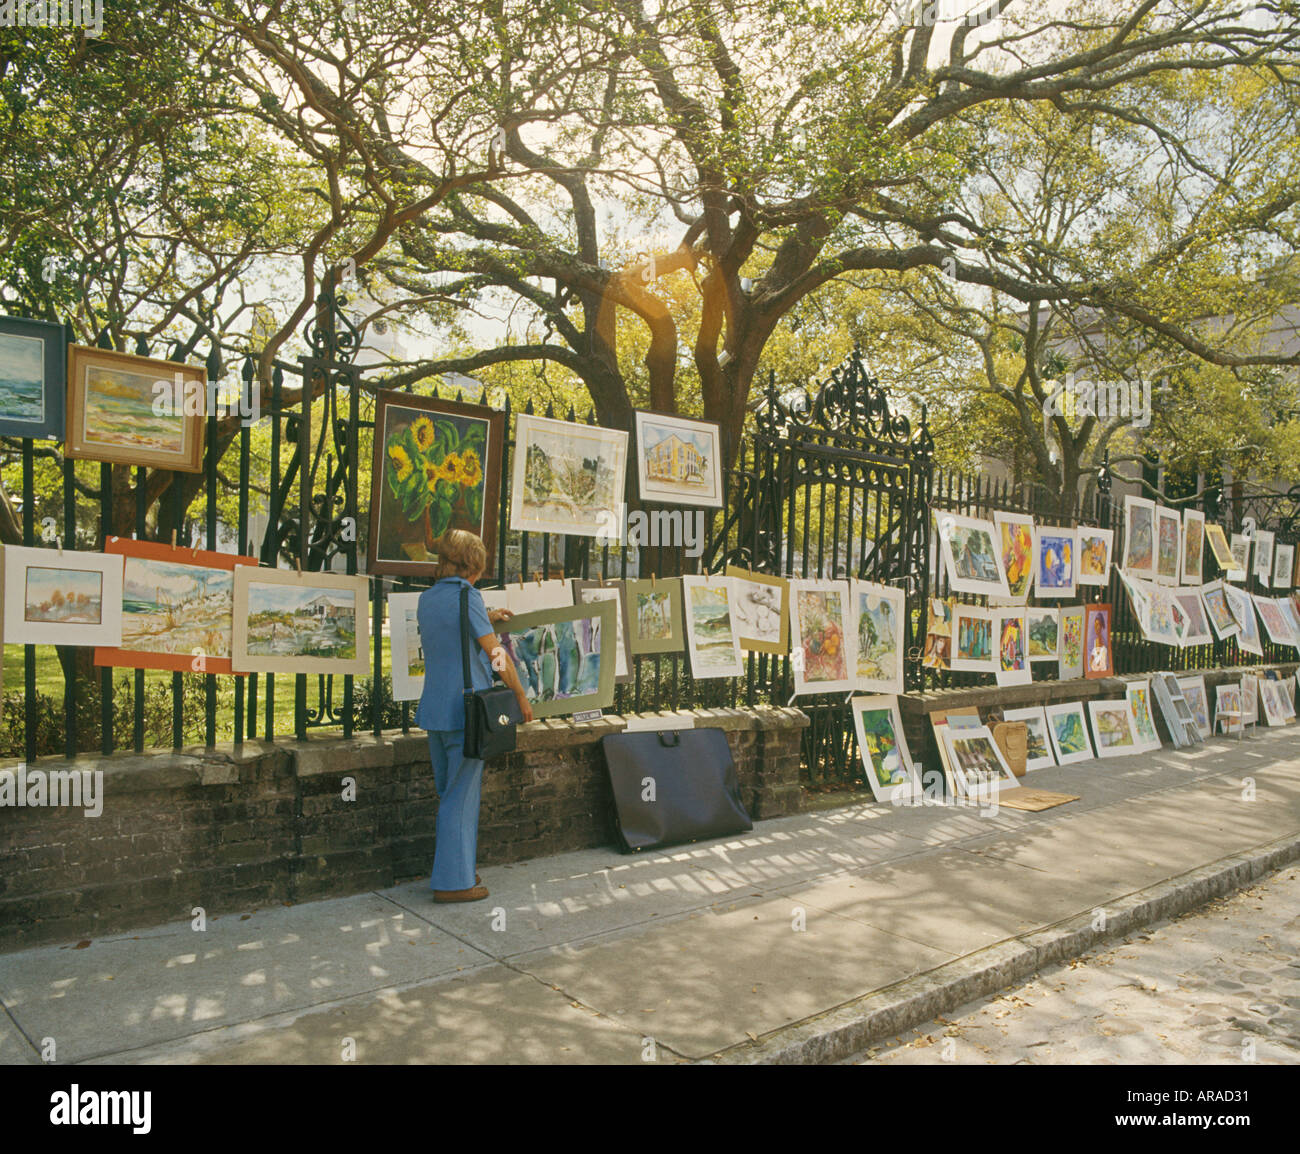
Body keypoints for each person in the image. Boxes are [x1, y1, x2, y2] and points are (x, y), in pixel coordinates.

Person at [415, 530, 533, 903]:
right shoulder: (468, 597)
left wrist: (487, 614)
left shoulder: (427, 599)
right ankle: (454, 884)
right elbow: (495, 655)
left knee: (449, 792)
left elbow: (452, 632)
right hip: (466, 711)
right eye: (481, 570)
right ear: (473, 567)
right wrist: (519, 695)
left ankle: (459, 870)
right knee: (460, 799)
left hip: (434, 710)